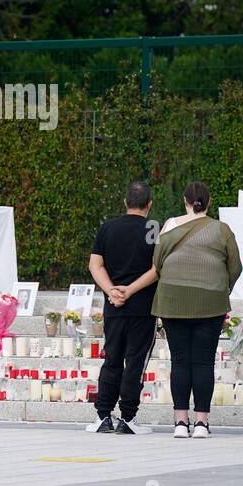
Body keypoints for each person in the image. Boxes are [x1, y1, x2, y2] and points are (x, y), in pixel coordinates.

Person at [146, 181, 242, 439]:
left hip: (173, 299)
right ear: (208, 202)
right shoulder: (221, 230)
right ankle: (201, 422)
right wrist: (223, 289)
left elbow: (157, 263)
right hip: (210, 301)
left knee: (179, 360)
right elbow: (235, 267)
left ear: (185, 201)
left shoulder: (168, 226)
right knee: (203, 361)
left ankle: (180, 422)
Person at [87, 180, 159, 435]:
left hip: (113, 306)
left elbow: (95, 265)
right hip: (143, 306)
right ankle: (128, 417)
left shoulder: (108, 227)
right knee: (135, 361)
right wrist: (130, 290)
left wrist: (112, 291)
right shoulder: (153, 227)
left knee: (113, 359)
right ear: (149, 204)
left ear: (125, 202)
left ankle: (102, 416)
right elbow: (156, 268)